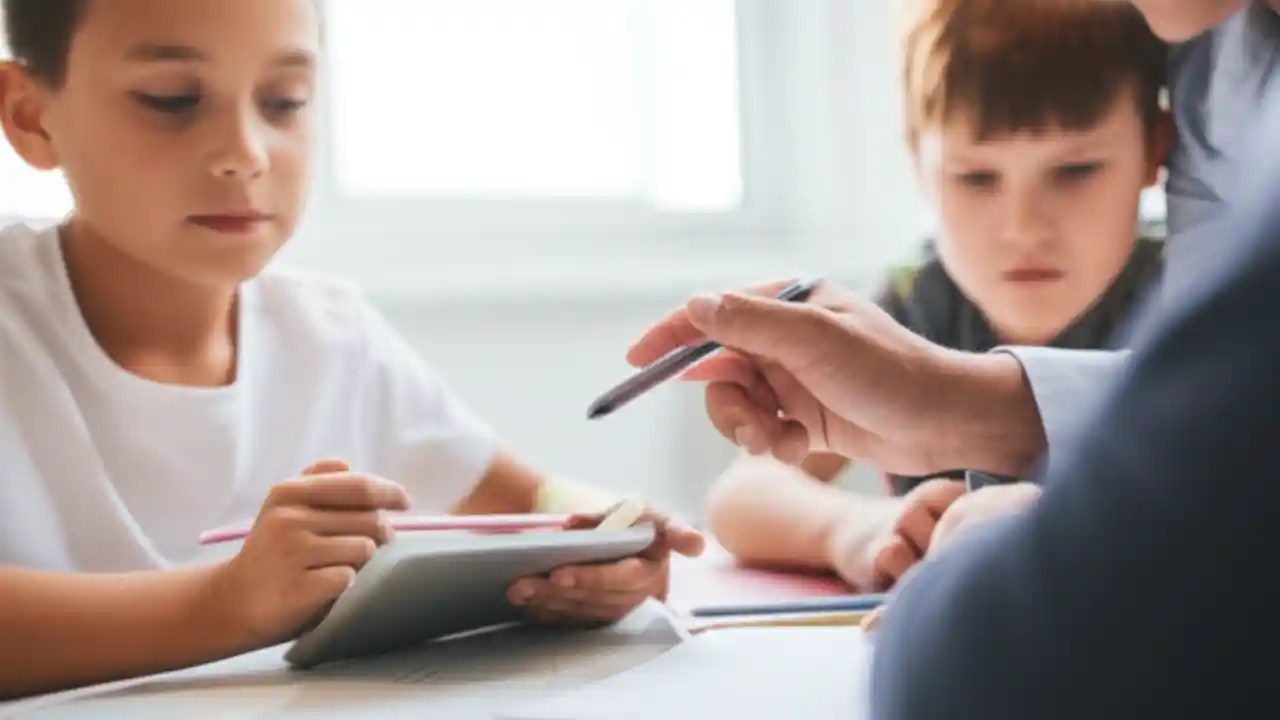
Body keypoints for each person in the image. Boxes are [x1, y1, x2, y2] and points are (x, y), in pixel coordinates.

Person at [0, 0, 702, 700]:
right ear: (31, 116)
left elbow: (531, 497)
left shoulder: (328, 331)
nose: (245, 153)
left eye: (285, 102)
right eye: (172, 100)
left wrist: (610, 542)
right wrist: (225, 604)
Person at [704, 0, 1167, 592]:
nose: (1023, 228)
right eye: (976, 177)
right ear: (918, 162)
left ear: (1156, 148)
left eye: (1076, 171)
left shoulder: (1196, 297)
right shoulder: (912, 301)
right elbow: (742, 494)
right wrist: (857, 528)